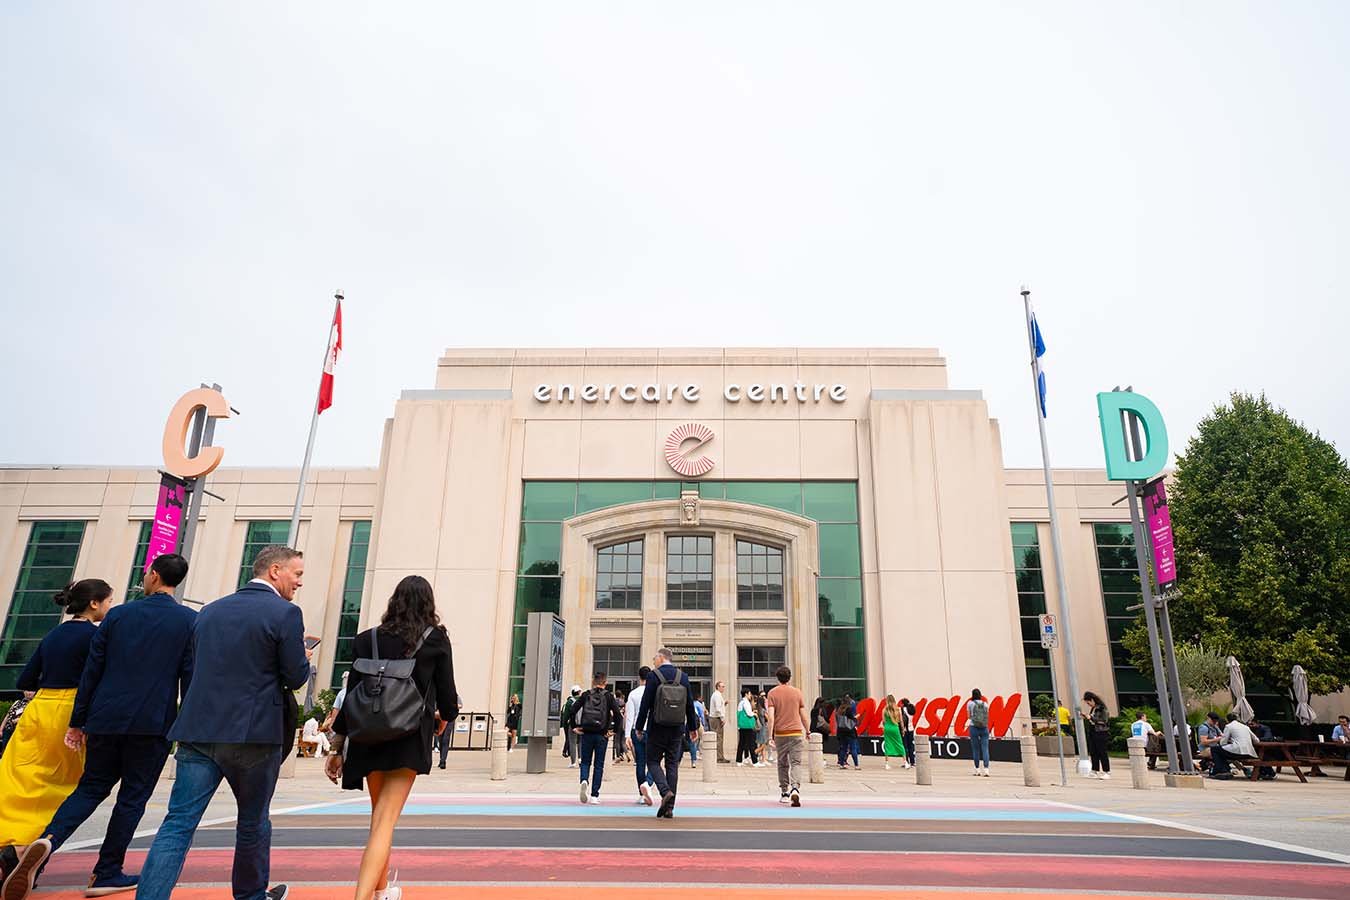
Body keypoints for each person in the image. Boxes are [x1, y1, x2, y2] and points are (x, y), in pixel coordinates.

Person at [134, 546, 310, 900]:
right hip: (255, 735)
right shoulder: (286, 613)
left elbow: (197, 666)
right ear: (275, 571)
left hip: (199, 730)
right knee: (252, 823)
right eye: (297, 573)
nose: (299, 582)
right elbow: (295, 677)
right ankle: (250, 895)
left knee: (178, 824)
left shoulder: (209, 612)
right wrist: (302, 657)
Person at [25, 555, 196, 899]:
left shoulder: (118, 615)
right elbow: (189, 678)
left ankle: (47, 844)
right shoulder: (190, 621)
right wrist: (185, 725)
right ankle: (106, 872)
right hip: (152, 723)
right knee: (132, 799)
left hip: (105, 718)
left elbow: (93, 672)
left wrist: (79, 721)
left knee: (89, 788)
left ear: (153, 575)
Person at [327, 574, 458, 900]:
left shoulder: (366, 639)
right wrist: (443, 719)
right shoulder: (435, 640)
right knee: (385, 821)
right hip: (407, 736)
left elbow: (351, 695)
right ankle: (361, 897)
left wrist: (336, 747)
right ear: (428, 604)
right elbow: (448, 698)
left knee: (378, 820)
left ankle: (382, 890)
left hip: (366, 738)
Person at [0, 579, 114, 899]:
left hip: (38, 710)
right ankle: (27, 850)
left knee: (19, 781)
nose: (109, 607)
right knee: (63, 787)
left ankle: (8, 845)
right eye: (107, 601)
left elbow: (26, 680)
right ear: (94, 603)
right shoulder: (95, 636)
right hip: (71, 713)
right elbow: (98, 678)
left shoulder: (53, 634)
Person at [633, 648, 700, 818]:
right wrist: (692, 728)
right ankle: (670, 808)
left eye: (655, 657)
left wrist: (639, 727)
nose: (654, 660)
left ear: (662, 658)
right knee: (672, 764)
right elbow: (689, 705)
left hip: (657, 727)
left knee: (653, 761)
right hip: (677, 727)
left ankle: (664, 791)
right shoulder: (682, 677)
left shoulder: (653, 676)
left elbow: (646, 704)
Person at [567, 671, 623, 805]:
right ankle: (594, 795)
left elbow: (573, 710)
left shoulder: (586, 695)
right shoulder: (609, 696)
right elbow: (618, 715)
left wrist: (575, 726)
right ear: (605, 682)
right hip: (602, 735)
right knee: (599, 765)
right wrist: (613, 731)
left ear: (593, 681)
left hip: (586, 733)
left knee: (585, 762)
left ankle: (584, 780)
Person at [765, 666, 810, 807]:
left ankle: (784, 792)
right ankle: (795, 788)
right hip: (796, 732)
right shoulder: (797, 693)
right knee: (796, 763)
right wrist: (808, 730)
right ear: (789, 677)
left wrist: (770, 736)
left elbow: (771, 717)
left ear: (777, 678)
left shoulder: (772, 693)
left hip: (781, 734)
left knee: (783, 763)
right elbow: (803, 715)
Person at [623, 666, 656, 805]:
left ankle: (642, 793)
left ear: (639, 677)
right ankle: (648, 784)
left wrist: (627, 736)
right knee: (654, 761)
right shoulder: (654, 692)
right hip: (652, 730)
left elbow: (629, 716)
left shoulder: (633, 694)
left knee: (640, 763)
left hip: (637, 729)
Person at [1207, 713, 1259, 780]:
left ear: (1227, 720)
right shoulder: (1245, 727)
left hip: (1237, 751)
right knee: (1222, 751)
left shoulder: (1229, 726)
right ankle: (1225, 769)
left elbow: (1223, 742)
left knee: (1215, 750)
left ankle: (1222, 771)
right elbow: (1257, 740)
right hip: (1249, 752)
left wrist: (1229, 741)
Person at [1080, 692, 1111, 779]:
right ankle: (1095, 770)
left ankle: (1107, 771)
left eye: (1088, 702)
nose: (1088, 704)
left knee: (1102, 752)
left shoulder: (1102, 708)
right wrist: (1086, 717)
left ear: (1092, 700)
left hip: (1101, 732)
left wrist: (1091, 718)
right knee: (1094, 752)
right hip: (1093, 731)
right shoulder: (1093, 709)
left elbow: (1104, 721)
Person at [967, 689, 991, 777]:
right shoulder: (985, 704)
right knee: (985, 749)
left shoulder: (970, 703)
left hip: (974, 727)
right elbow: (987, 716)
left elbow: (969, 716)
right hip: (984, 728)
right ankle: (986, 770)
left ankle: (977, 770)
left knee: (975, 749)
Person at [882, 694, 908, 770]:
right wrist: (903, 730)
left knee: (887, 745)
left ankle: (887, 764)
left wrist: (886, 726)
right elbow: (901, 721)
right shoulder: (897, 709)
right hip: (895, 728)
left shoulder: (884, 710)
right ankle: (905, 762)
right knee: (900, 744)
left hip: (887, 728)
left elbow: (883, 721)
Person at [835, 694, 860, 769]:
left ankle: (841, 763)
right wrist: (856, 717)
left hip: (841, 731)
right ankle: (856, 765)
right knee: (853, 748)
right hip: (850, 731)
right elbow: (852, 719)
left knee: (843, 748)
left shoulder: (839, 709)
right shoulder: (849, 709)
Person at [735, 687, 759, 766]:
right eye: (749, 694)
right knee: (751, 743)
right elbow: (749, 713)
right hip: (748, 726)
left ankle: (739, 760)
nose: (750, 695)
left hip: (742, 726)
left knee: (741, 743)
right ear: (746, 694)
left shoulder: (741, 702)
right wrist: (754, 714)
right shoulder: (746, 702)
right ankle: (755, 761)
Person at [708, 681, 729, 763]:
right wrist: (722, 718)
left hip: (715, 718)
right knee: (719, 738)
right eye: (722, 686)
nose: (723, 688)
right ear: (718, 687)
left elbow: (719, 706)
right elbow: (717, 708)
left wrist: (724, 703)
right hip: (716, 718)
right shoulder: (717, 695)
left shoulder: (717, 695)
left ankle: (719, 756)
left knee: (718, 738)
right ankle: (719, 757)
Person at [558, 686, 579, 765]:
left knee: (571, 741)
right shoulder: (583, 700)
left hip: (572, 724)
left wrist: (564, 724)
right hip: (582, 723)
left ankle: (572, 761)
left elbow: (566, 715)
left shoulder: (569, 702)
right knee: (579, 742)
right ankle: (580, 759)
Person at [687, 689, 707, 768]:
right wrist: (703, 723)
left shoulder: (689, 703)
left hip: (690, 724)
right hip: (698, 724)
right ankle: (701, 752)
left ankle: (694, 758)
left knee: (693, 741)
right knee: (703, 738)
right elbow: (701, 715)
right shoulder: (699, 704)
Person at [900, 697, 917, 768]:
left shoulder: (902, 710)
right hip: (911, 729)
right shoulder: (912, 709)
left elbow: (901, 720)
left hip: (905, 730)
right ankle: (913, 762)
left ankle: (906, 762)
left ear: (903, 703)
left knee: (905, 746)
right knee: (911, 746)